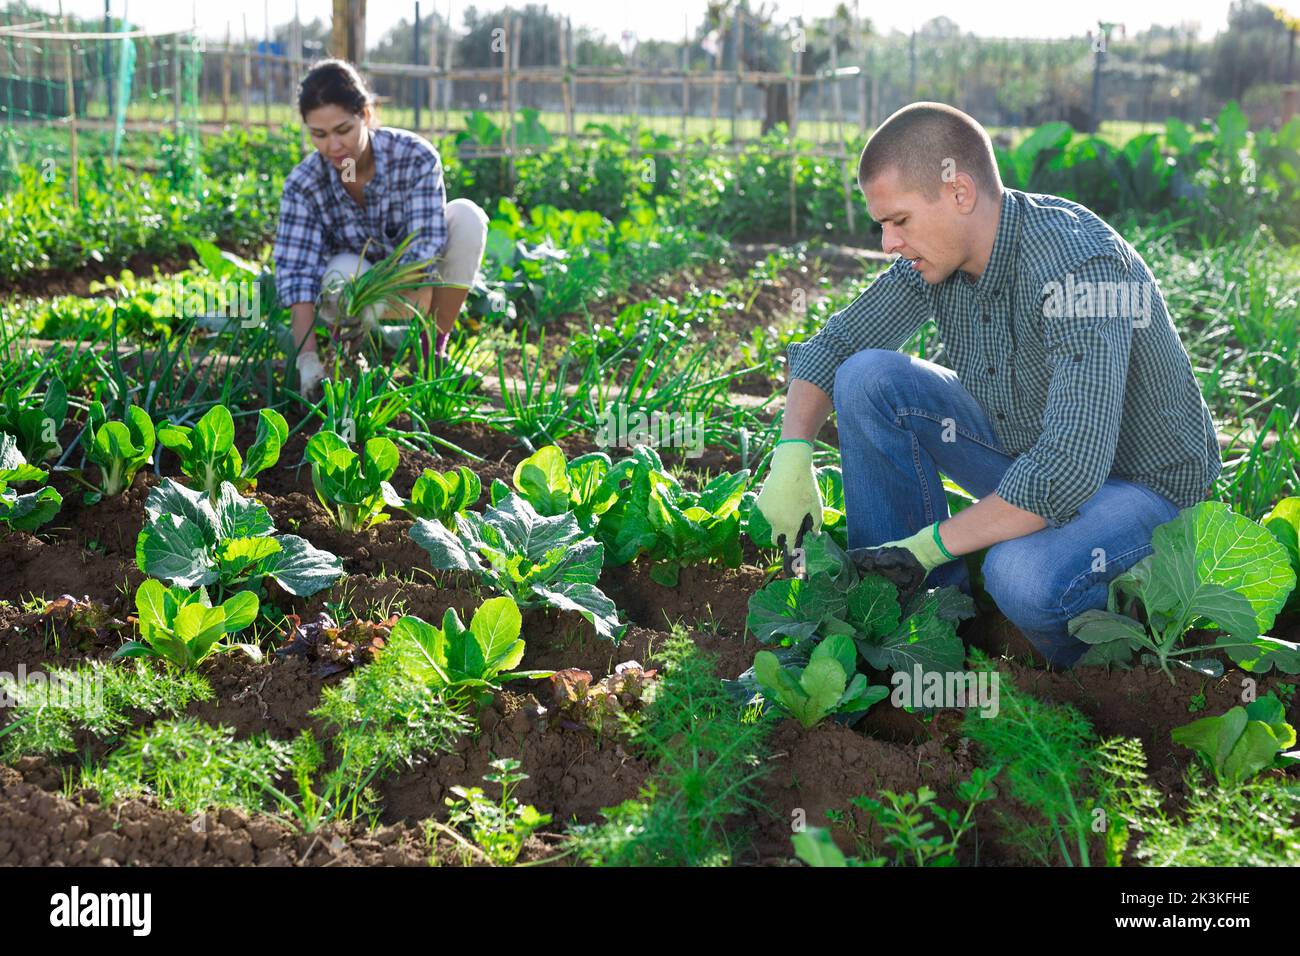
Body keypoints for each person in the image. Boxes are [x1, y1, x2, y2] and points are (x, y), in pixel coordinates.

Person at [755, 102, 1222, 667]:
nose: (888, 243)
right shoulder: (937, 260)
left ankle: (1102, 676)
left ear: (959, 194)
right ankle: (915, 624)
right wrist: (793, 449)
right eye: (882, 224)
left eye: (899, 221)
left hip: (1143, 491)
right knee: (869, 377)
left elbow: (1069, 466)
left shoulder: (1079, 268)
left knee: (1020, 574)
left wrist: (927, 545)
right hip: (1032, 452)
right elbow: (835, 347)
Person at [273, 58, 489, 394]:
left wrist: (410, 294)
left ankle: (431, 355)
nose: (333, 146)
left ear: (367, 115)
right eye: (319, 134)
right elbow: (297, 275)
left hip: (413, 284)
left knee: (467, 217)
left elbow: (424, 249)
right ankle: (346, 359)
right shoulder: (304, 184)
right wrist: (307, 360)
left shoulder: (414, 157)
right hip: (348, 292)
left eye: (343, 129)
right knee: (341, 268)